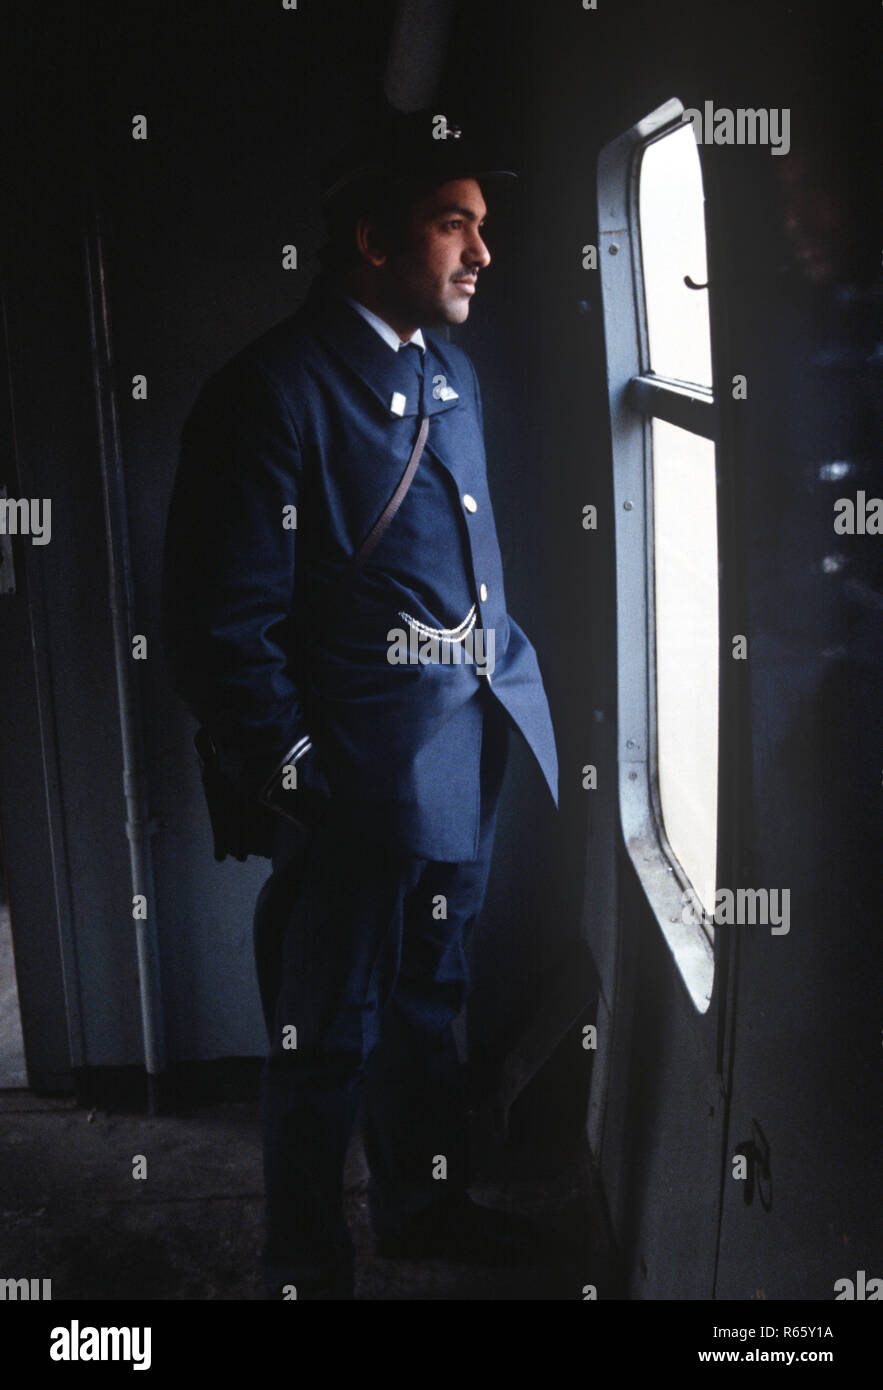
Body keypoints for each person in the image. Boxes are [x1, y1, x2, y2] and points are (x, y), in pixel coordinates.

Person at [161, 111, 558, 1299]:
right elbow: (220, 632)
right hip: (351, 780)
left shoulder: (451, 369)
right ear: (374, 237)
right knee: (323, 1032)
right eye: (455, 224)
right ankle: (305, 1263)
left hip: (464, 743)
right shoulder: (271, 393)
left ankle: (422, 1210)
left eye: (482, 227)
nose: (482, 251)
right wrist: (306, 776)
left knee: (432, 1002)